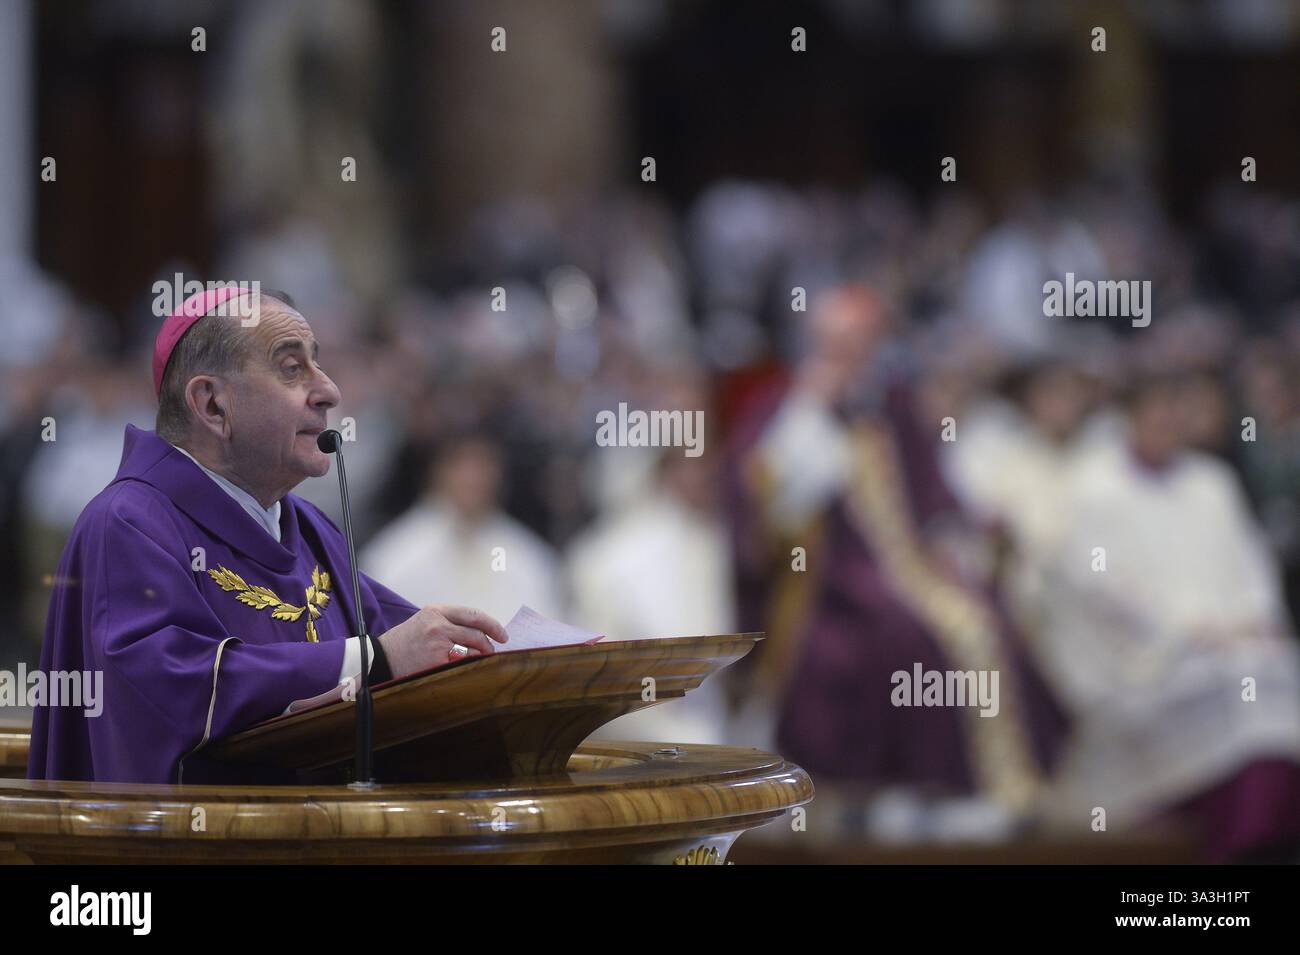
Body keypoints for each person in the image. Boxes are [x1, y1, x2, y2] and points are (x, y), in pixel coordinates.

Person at [27, 286, 508, 785]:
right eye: (292, 368)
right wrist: (372, 659)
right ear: (212, 404)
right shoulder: (128, 523)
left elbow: (416, 645)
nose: (329, 391)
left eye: (317, 364)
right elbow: (168, 689)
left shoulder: (308, 528)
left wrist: (516, 663)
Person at [726, 283, 1066, 831]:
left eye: (863, 344)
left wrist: (966, 535)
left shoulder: (894, 408)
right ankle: (917, 794)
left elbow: (937, 497)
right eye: (839, 345)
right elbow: (767, 510)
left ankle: (1000, 791)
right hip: (826, 586)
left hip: (916, 571)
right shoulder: (784, 410)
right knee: (904, 633)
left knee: (989, 615)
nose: (851, 358)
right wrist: (811, 413)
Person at [1037, 372, 1300, 861]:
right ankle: (1234, 844)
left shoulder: (1211, 483)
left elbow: (1251, 569)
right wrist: (1192, 629)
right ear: (1130, 417)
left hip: (1228, 643)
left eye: (1174, 412)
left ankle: (1270, 840)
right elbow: (1095, 583)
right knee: (1240, 689)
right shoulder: (1094, 486)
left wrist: (1249, 622)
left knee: (1272, 673)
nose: (1166, 423)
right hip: (1146, 664)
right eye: (1154, 411)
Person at [361, 434, 566, 624]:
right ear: (438, 472)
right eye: (462, 467)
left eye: (483, 468)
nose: (473, 479)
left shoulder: (527, 557)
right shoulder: (397, 555)